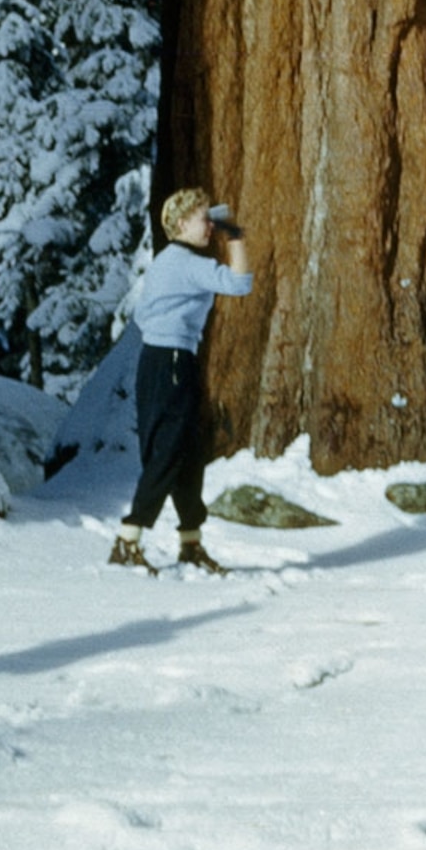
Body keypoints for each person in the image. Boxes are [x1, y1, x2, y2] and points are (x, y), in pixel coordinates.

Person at [107, 187, 254, 573]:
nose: (210, 226)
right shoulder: (186, 262)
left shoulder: (168, 262)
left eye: (211, 218)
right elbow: (240, 283)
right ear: (182, 223)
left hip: (162, 361)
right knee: (171, 452)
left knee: (188, 453)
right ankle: (128, 538)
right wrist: (235, 235)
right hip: (172, 361)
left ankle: (190, 543)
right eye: (203, 218)